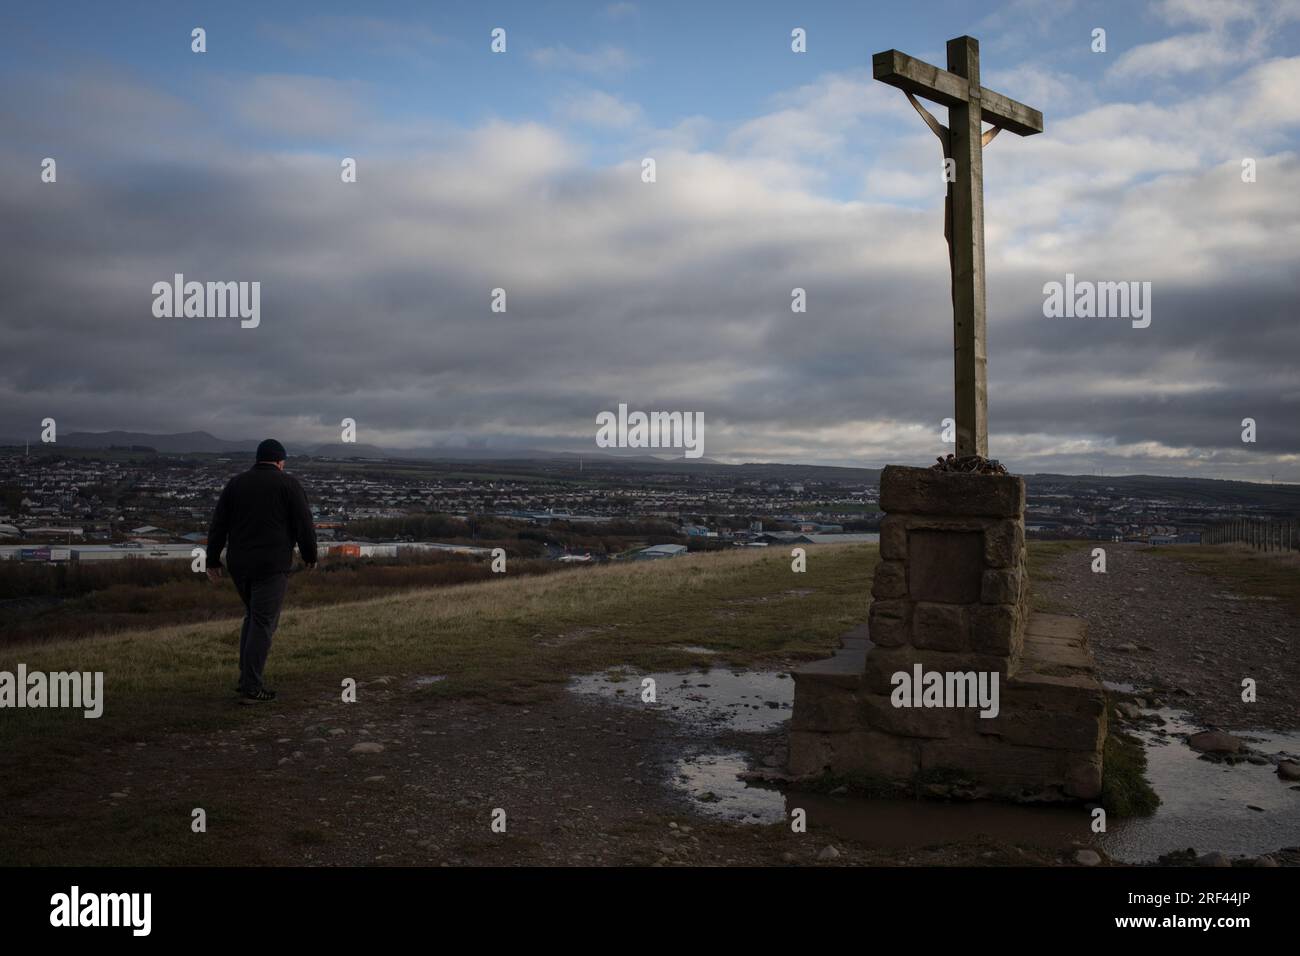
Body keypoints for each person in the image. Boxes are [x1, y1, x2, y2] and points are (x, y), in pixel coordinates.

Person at [205, 439, 317, 703]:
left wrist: (212, 560)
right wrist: (310, 556)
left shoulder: (236, 484)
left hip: (240, 565)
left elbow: (218, 525)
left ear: (258, 458)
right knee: (264, 623)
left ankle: (246, 678)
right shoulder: (288, 484)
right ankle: (251, 687)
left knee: (253, 618)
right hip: (272, 565)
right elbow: (304, 524)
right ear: (280, 461)